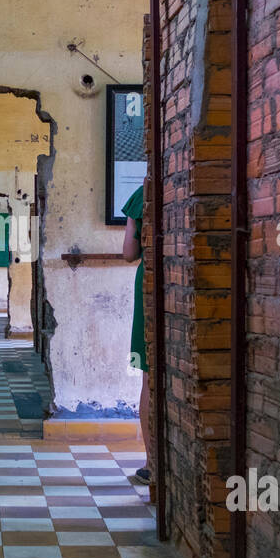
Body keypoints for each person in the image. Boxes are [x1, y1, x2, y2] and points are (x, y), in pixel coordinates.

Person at [121, 183, 153, 488]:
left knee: (149, 376)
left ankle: (151, 463)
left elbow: (129, 253)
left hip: (150, 284)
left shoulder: (140, 196)